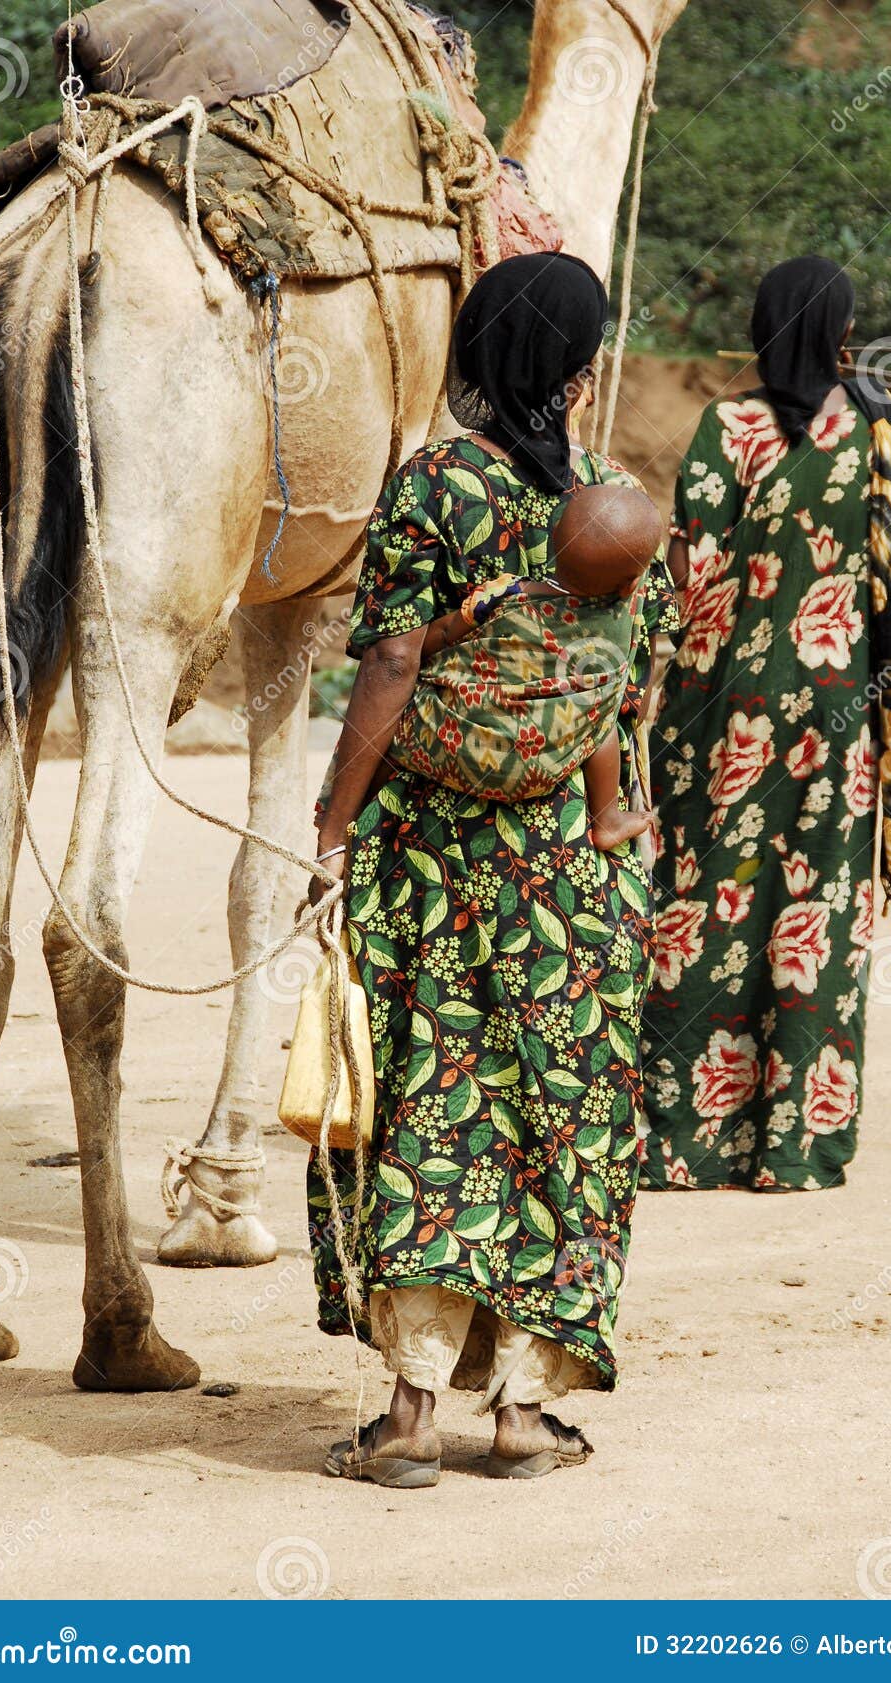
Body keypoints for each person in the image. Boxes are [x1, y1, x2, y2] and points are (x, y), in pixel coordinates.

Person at [309, 251, 679, 1487]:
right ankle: (522, 1414)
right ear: (577, 370)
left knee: (428, 1099)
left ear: (477, 351)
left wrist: (331, 820)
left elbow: (391, 668)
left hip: (431, 859)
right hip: (570, 875)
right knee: (557, 1122)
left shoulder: (432, 489)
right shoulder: (621, 504)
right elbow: (630, 679)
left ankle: (412, 1414)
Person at [640, 255, 891, 1194]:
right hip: (836, 722)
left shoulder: (724, 427)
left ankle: (685, 1143)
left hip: (717, 720)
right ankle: (795, 1148)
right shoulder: (872, 431)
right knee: (814, 920)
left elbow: (688, 581)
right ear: (840, 331)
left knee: (701, 912)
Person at [383, 480, 663, 851]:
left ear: (552, 543)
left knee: (399, 710)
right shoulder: (622, 619)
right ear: (630, 587)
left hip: (452, 753)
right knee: (603, 712)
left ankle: (367, 800)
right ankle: (607, 817)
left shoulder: (504, 596)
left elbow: (437, 640)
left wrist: (453, 628)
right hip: (537, 774)